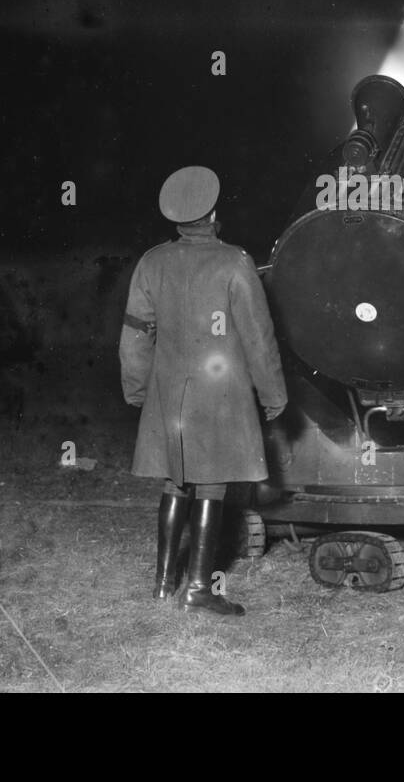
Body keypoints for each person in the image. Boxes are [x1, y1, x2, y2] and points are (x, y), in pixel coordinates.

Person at [119, 165, 287, 616]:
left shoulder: (152, 262)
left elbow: (136, 334)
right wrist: (273, 395)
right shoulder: (234, 261)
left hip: (169, 393)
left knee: (177, 482)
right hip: (220, 395)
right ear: (213, 213)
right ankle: (198, 589)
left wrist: (137, 390)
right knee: (211, 485)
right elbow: (258, 337)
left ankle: (161, 585)